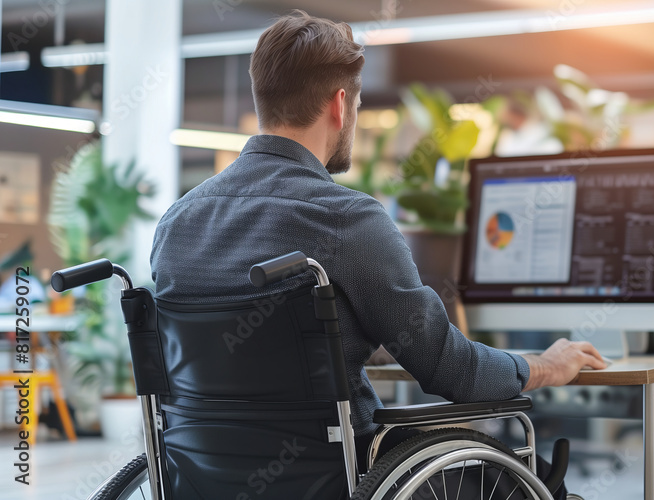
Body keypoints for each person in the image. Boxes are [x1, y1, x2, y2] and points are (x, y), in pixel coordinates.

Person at [150, 9, 605, 499]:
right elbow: (453, 371)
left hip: (204, 477)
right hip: (344, 478)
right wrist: (546, 365)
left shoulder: (177, 223)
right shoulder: (346, 218)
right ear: (340, 105)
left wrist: (357, 329)